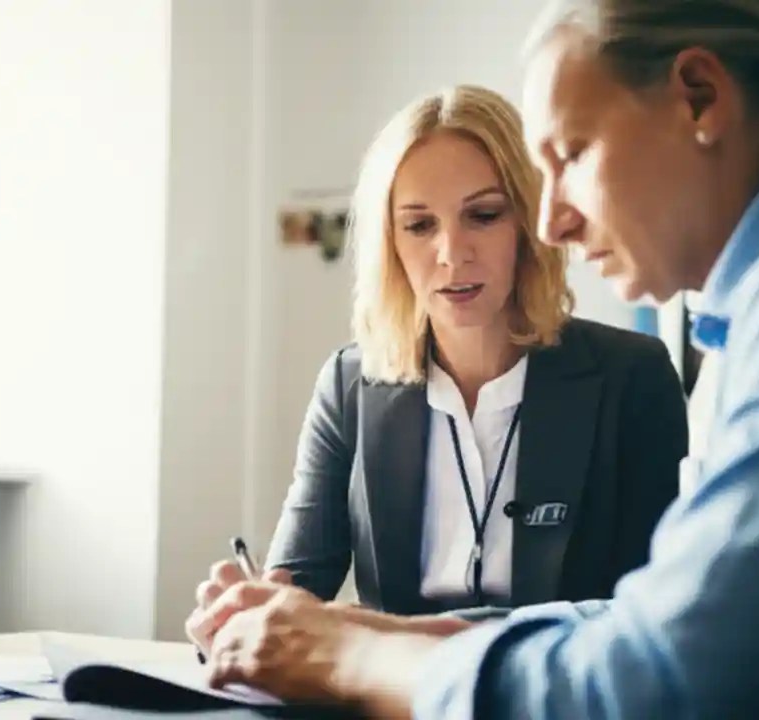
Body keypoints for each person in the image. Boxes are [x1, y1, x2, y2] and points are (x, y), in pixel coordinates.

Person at [186, 1, 759, 718]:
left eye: (571, 156)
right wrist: (383, 636)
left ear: (700, 97)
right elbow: (655, 618)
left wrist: (351, 663)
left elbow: (662, 682)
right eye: (419, 225)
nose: (551, 220)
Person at [187, 84, 686, 642]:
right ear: (390, 242)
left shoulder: (631, 377)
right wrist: (252, 613)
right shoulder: (349, 385)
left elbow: (652, 616)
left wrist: (382, 635)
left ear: (528, 224)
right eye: (420, 225)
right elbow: (298, 587)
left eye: (484, 215)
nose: (452, 253)